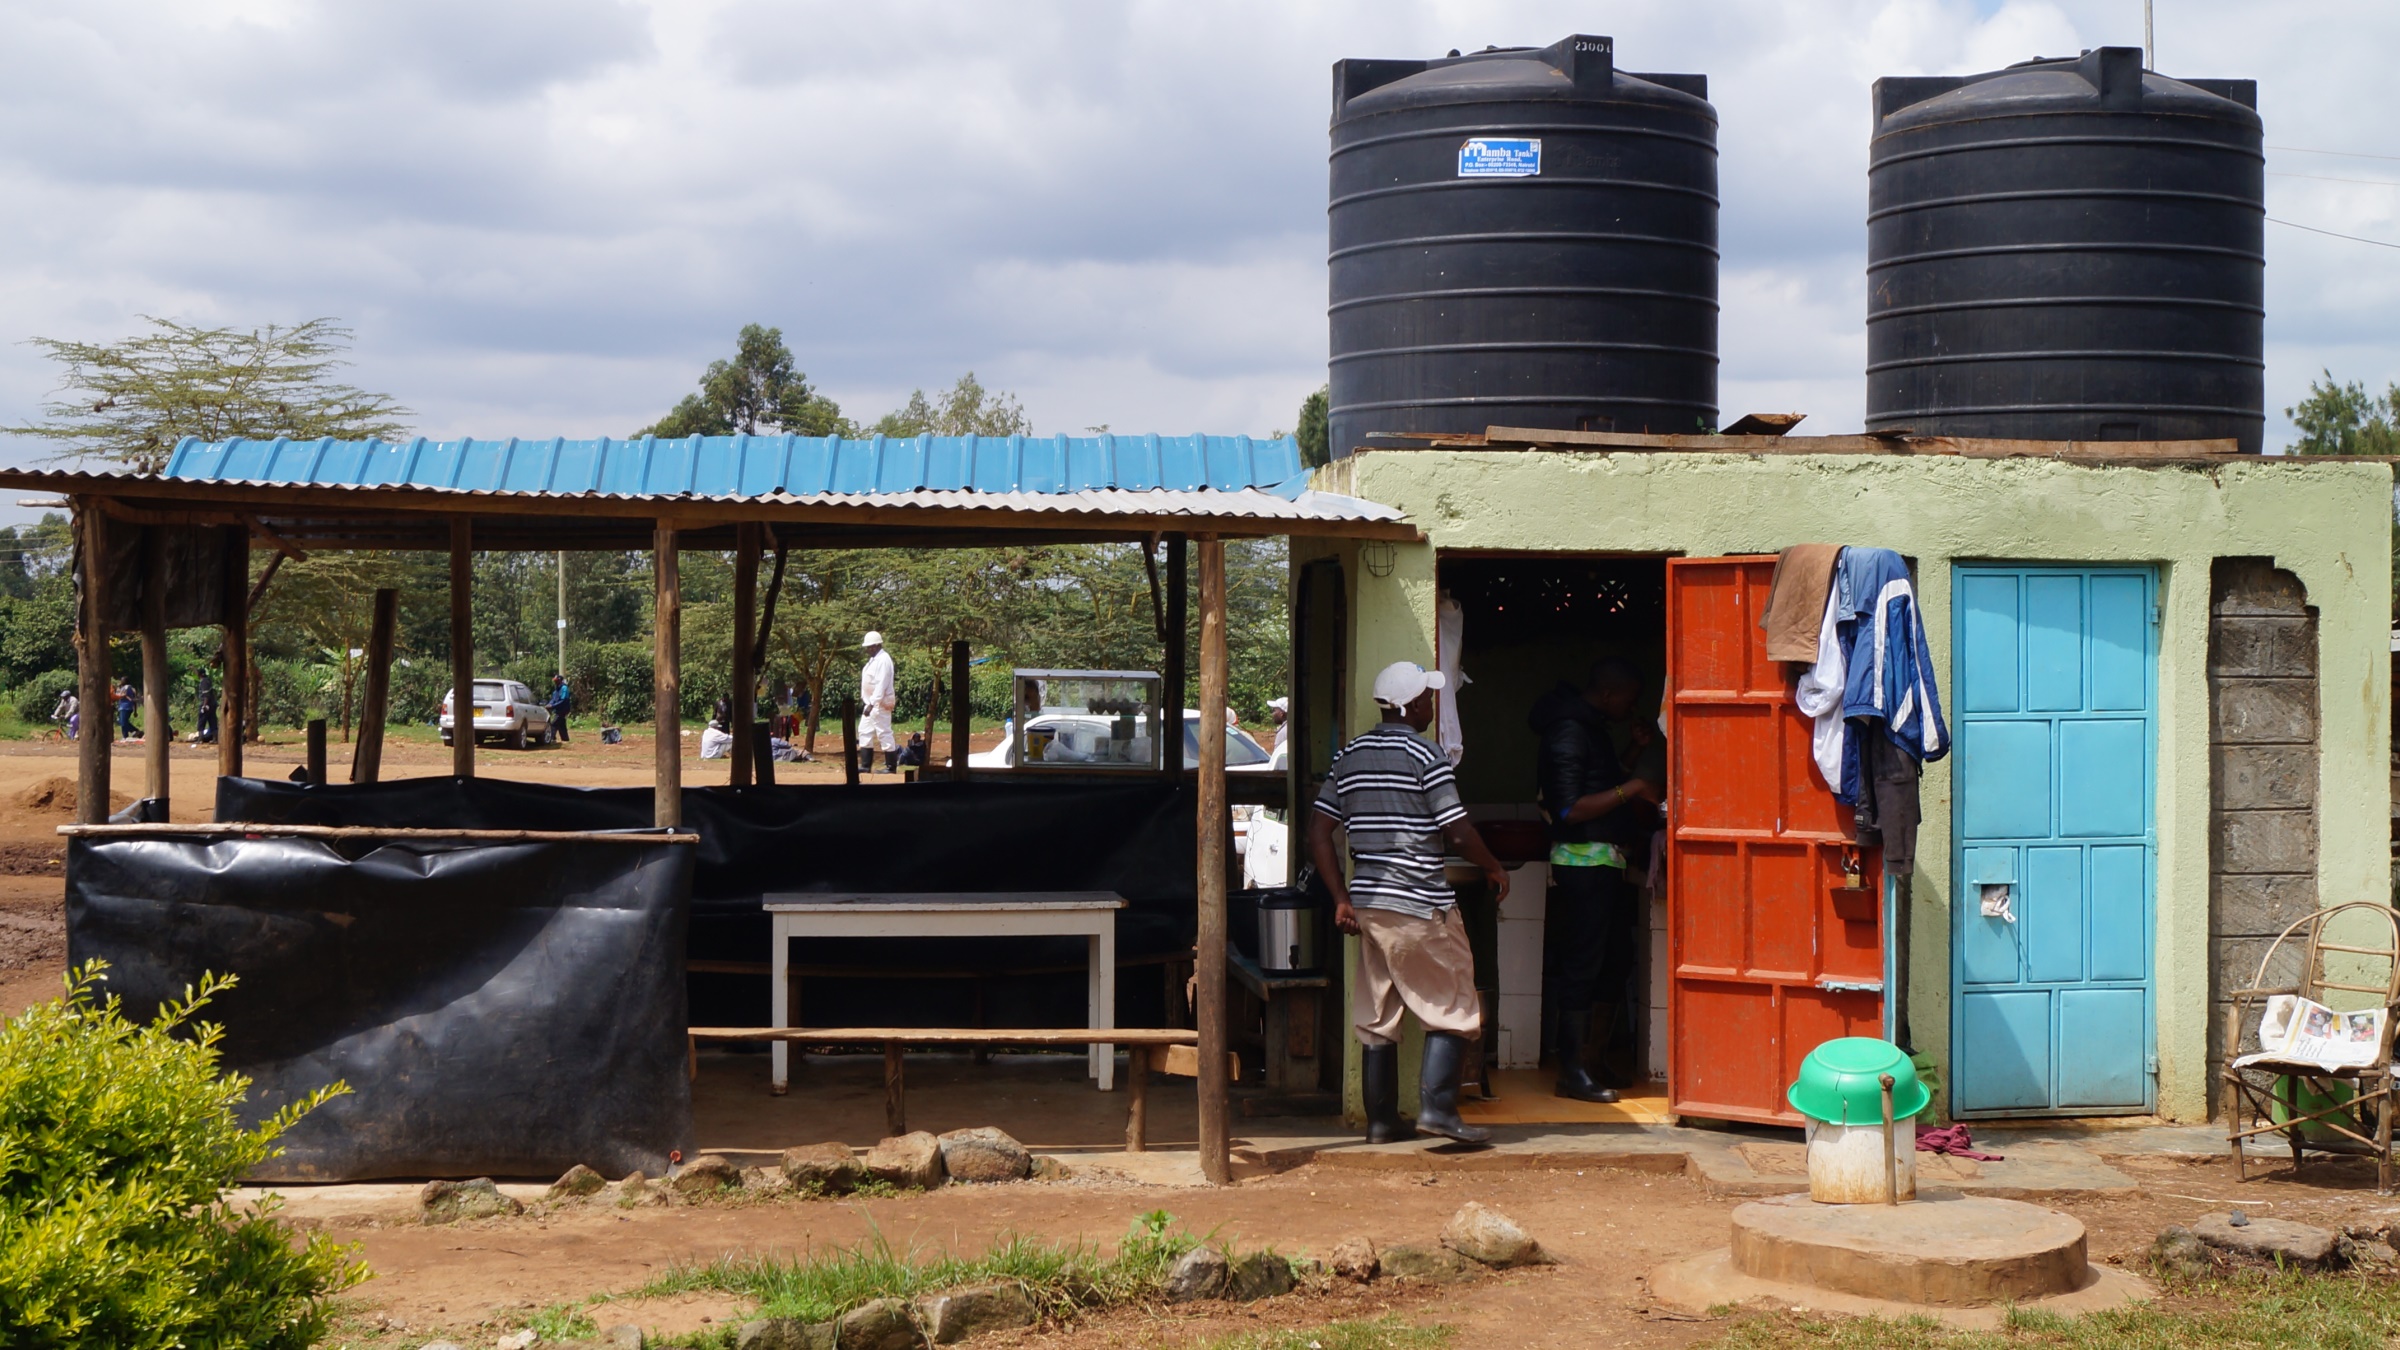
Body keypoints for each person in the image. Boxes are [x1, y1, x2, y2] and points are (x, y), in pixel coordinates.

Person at [1308, 660, 1510, 1146]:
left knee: (1379, 1013)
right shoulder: (1426, 755)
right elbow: (1458, 831)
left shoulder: (1349, 755)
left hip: (1369, 904)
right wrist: (1494, 866)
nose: (1431, 705)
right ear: (1412, 704)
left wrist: (1341, 897)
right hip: (1419, 903)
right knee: (1454, 1002)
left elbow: (1319, 832)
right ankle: (1438, 1112)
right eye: (1427, 698)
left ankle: (1381, 1122)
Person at [1529, 659, 1662, 1104]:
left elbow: (1596, 781)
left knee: (1614, 960)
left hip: (1605, 861)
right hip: (1582, 863)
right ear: (1608, 694)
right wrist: (1637, 787)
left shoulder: (1590, 727)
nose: (1633, 706)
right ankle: (1571, 1071)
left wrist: (1629, 754)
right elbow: (1570, 809)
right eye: (1629, 698)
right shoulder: (1569, 730)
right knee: (1584, 965)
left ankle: (1592, 1059)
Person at [858, 630, 898, 774]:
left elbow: (881, 684)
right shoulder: (873, 660)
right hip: (870, 704)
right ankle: (866, 765)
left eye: (870, 647)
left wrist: (872, 703)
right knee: (864, 731)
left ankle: (891, 767)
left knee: (884, 732)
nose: (868, 650)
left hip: (879, 704)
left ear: (877, 645)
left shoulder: (884, 660)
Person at [193, 665, 219, 745]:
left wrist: (204, 705)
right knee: (212, 721)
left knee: (201, 721)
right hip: (212, 704)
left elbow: (206, 694)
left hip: (206, 704)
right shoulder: (208, 680)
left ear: (199, 674)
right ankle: (215, 739)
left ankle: (200, 739)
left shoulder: (203, 682)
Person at [1265, 696, 1290, 770]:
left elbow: (1277, 757)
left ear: (1281, 713)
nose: (1272, 714)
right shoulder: (1291, 728)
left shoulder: (1283, 733)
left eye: (1274, 710)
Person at [547, 674, 572, 743]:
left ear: (560, 681)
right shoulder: (556, 690)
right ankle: (565, 739)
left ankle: (551, 739)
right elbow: (553, 699)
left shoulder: (564, 688)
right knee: (561, 725)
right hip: (558, 710)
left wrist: (553, 706)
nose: (555, 682)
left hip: (563, 710)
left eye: (557, 681)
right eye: (555, 681)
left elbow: (563, 700)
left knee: (553, 724)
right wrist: (549, 704)